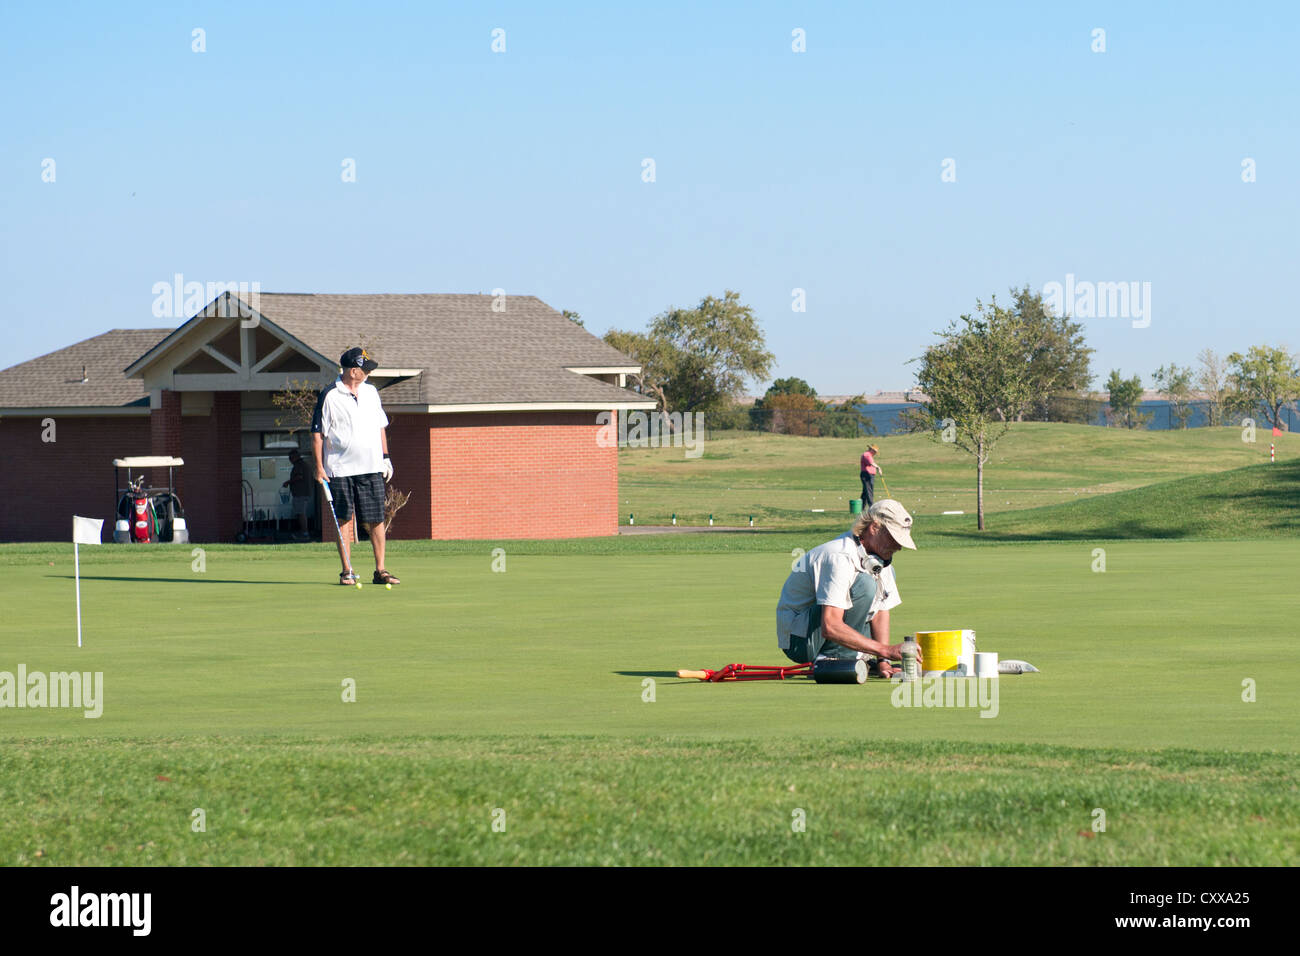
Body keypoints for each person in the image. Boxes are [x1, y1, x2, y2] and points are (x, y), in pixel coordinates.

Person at [776, 499, 918, 678]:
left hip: (828, 629)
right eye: (894, 537)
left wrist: (884, 661)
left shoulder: (880, 557)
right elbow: (830, 625)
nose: (898, 546)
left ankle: (850, 656)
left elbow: (881, 611)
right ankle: (832, 658)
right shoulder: (839, 556)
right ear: (874, 528)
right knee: (865, 584)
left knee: (875, 580)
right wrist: (886, 649)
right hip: (799, 641)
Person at [312, 347, 400, 586]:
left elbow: (380, 425)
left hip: (370, 466)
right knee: (344, 520)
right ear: (353, 370)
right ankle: (347, 571)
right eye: (365, 369)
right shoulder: (329, 395)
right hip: (340, 469)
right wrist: (319, 467)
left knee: (376, 519)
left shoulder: (371, 392)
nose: (368, 373)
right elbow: (318, 434)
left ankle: (380, 570)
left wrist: (385, 457)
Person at [282, 449, 313, 539]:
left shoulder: (299, 465)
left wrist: (288, 482)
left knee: (301, 513)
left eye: (290, 458)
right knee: (300, 512)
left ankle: (305, 533)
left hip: (301, 493)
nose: (290, 460)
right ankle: (303, 531)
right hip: (304, 493)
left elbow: (299, 476)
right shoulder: (304, 465)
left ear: (295, 457)